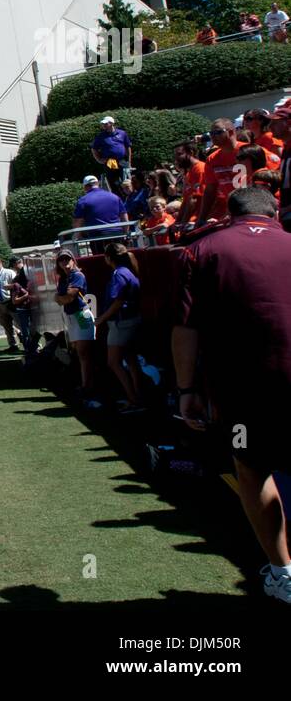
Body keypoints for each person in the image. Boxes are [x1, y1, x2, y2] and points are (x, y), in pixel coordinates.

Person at [175, 187, 291, 605]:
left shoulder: (202, 250)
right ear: (274, 210)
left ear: (229, 214)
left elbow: (186, 328)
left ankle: (284, 572)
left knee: (251, 468)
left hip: (243, 391)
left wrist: (186, 389)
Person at [93, 243, 148, 413]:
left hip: (122, 322)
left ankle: (133, 399)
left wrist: (101, 319)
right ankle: (139, 396)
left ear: (109, 258)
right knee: (131, 359)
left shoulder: (119, 274)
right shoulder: (129, 271)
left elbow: (118, 302)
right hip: (132, 320)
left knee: (114, 361)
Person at [54, 250, 97, 407]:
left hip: (81, 315)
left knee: (85, 353)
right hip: (72, 316)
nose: (65, 262)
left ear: (73, 260)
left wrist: (61, 298)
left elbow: (68, 296)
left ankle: (89, 387)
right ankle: (86, 385)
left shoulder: (77, 275)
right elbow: (59, 298)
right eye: (61, 260)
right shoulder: (64, 278)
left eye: (67, 259)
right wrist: (61, 298)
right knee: (79, 353)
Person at [73, 175, 128, 248]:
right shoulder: (114, 197)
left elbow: (77, 221)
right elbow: (124, 217)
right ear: (98, 183)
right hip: (116, 235)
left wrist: (77, 236)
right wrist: (125, 233)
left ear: (85, 187)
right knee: (119, 257)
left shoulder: (83, 201)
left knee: (100, 258)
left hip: (97, 238)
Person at [90, 116, 133, 190]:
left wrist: (129, 161)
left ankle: (128, 198)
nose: (104, 126)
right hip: (110, 161)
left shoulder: (122, 133)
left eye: (106, 124)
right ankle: (117, 198)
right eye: (103, 124)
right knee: (113, 183)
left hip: (122, 160)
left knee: (126, 181)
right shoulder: (101, 136)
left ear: (111, 123)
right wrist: (99, 160)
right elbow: (94, 148)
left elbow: (128, 147)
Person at [7, 257, 37, 363]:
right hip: (25, 306)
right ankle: (30, 351)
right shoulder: (21, 276)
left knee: (28, 331)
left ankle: (30, 350)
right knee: (27, 331)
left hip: (27, 306)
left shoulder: (24, 273)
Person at [174, 140, 207, 225]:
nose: (176, 158)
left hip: (200, 221)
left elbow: (194, 200)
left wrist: (183, 223)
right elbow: (186, 201)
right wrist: (177, 222)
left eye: (179, 154)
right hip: (191, 222)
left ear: (191, 153)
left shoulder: (200, 169)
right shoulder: (189, 173)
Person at [270, 104, 291, 232]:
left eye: (275, 123)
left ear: (288, 123)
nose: (270, 127)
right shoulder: (287, 148)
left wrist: (286, 209)